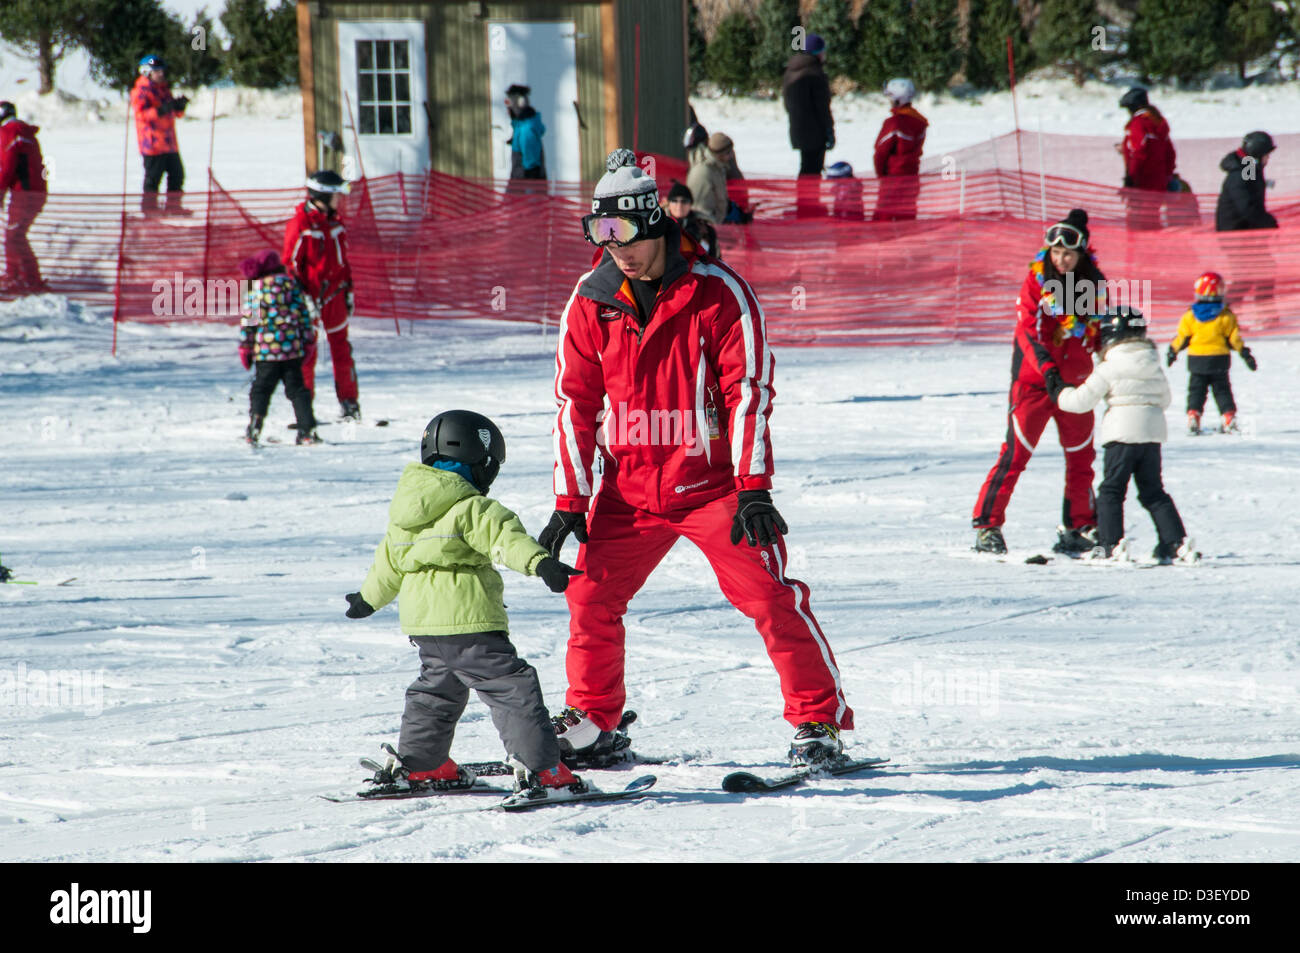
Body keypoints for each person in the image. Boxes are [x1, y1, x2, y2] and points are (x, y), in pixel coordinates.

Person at [541, 149, 854, 768]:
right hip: (629, 491)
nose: (618, 252)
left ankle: (818, 721)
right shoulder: (591, 300)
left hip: (712, 488)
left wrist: (753, 487)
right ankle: (593, 719)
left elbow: (749, 395)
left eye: (626, 234)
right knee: (590, 598)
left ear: (653, 222)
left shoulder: (719, 293)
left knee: (769, 597)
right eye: (601, 238)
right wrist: (570, 500)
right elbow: (574, 403)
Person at [342, 410, 587, 798]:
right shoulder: (472, 507)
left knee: (436, 691)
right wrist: (542, 563)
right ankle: (543, 770)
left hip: (425, 627)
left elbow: (386, 564)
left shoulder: (404, 516)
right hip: (469, 621)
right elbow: (505, 540)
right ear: (481, 462)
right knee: (511, 687)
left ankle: (423, 765)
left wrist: (367, 599)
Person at [972, 209, 1106, 555]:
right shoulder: (1036, 280)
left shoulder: (1093, 285)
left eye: (1069, 253)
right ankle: (988, 526)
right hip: (1035, 383)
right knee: (1015, 456)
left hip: (1076, 386)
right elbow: (1028, 331)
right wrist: (1048, 371)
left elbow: (1097, 332)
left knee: (1081, 459)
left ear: (1082, 254)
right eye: (1056, 252)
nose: (1061, 259)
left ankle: (1079, 525)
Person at [1047, 308, 1192, 564]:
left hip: (1121, 436)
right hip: (1152, 436)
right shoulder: (1152, 363)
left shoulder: (1110, 365)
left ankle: (1110, 545)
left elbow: (1081, 402)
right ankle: (1175, 543)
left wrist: (1058, 391)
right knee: (1153, 492)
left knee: (1111, 491)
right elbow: (1166, 399)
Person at [283, 170, 360, 421]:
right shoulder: (300, 225)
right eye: (336, 194)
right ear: (322, 195)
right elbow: (290, 265)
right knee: (307, 353)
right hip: (309, 299)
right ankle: (305, 411)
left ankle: (349, 403)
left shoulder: (336, 224)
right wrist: (301, 297)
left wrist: (348, 291)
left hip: (334, 296)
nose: (340, 200)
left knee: (342, 351)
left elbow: (343, 261)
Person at [238, 249, 319, 446]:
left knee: (261, 390)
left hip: (266, 353)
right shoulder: (292, 286)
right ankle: (306, 431)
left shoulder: (255, 289)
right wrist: (308, 341)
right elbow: (304, 317)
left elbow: (249, 322)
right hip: (292, 351)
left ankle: (254, 427)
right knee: (298, 391)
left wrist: (245, 347)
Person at [1166, 271, 1257, 435]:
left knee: (1196, 390)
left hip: (1196, 360)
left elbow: (1183, 337)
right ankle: (1228, 416)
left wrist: (1173, 351)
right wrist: (1245, 354)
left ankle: (1194, 414)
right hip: (1219, 359)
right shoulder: (1225, 315)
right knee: (1222, 390)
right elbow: (1234, 339)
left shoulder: (1190, 315)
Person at [130, 55, 189, 216]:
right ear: (146, 72)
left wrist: (179, 107)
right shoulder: (140, 91)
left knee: (177, 174)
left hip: (169, 143)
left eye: (161, 71)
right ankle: (149, 210)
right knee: (153, 178)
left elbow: (175, 113)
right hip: (152, 144)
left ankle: (173, 207)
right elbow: (141, 114)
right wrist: (162, 109)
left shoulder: (163, 89)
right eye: (157, 71)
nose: (161, 74)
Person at [0, 101, 48, 294]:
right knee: (14, 236)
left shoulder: (9, 132)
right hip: (32, 192)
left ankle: (29, 280)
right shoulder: (23, 131)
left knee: (14, 236)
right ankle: (16, 275)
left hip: (25, 193)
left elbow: (5, 167)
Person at [1117, 87, 1176, 230]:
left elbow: (1138, 152)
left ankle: (1140, 251)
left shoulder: (1138, 123)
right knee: (1153, 218)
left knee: (1138, 222)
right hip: (1159, 181)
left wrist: (1131, 177)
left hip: (1142, 182)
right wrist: (1167, 175)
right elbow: (1170, 153)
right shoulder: (1158, 122)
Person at [873, 79, 927, 221]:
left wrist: (881, 175)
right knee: (907, 217)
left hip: (892, 180)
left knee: (883, 219)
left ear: (897, 100)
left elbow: (880, 153)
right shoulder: (920, 122)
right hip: (912, 177)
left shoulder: (893, 123)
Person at [665, 181, 718, 257]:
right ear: (668, 204)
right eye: (674, 201)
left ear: (690, 204)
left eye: (684, 201)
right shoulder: (658, 226)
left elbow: (715, 260)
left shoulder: (705, 230)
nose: (679, 205)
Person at [505, 84, 546, 180]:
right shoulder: (521, 126)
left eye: (509, 103)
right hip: (520, 182)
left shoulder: (526, 129)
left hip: (524, 185)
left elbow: (531, 167)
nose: (507, 108)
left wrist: (528, 190)